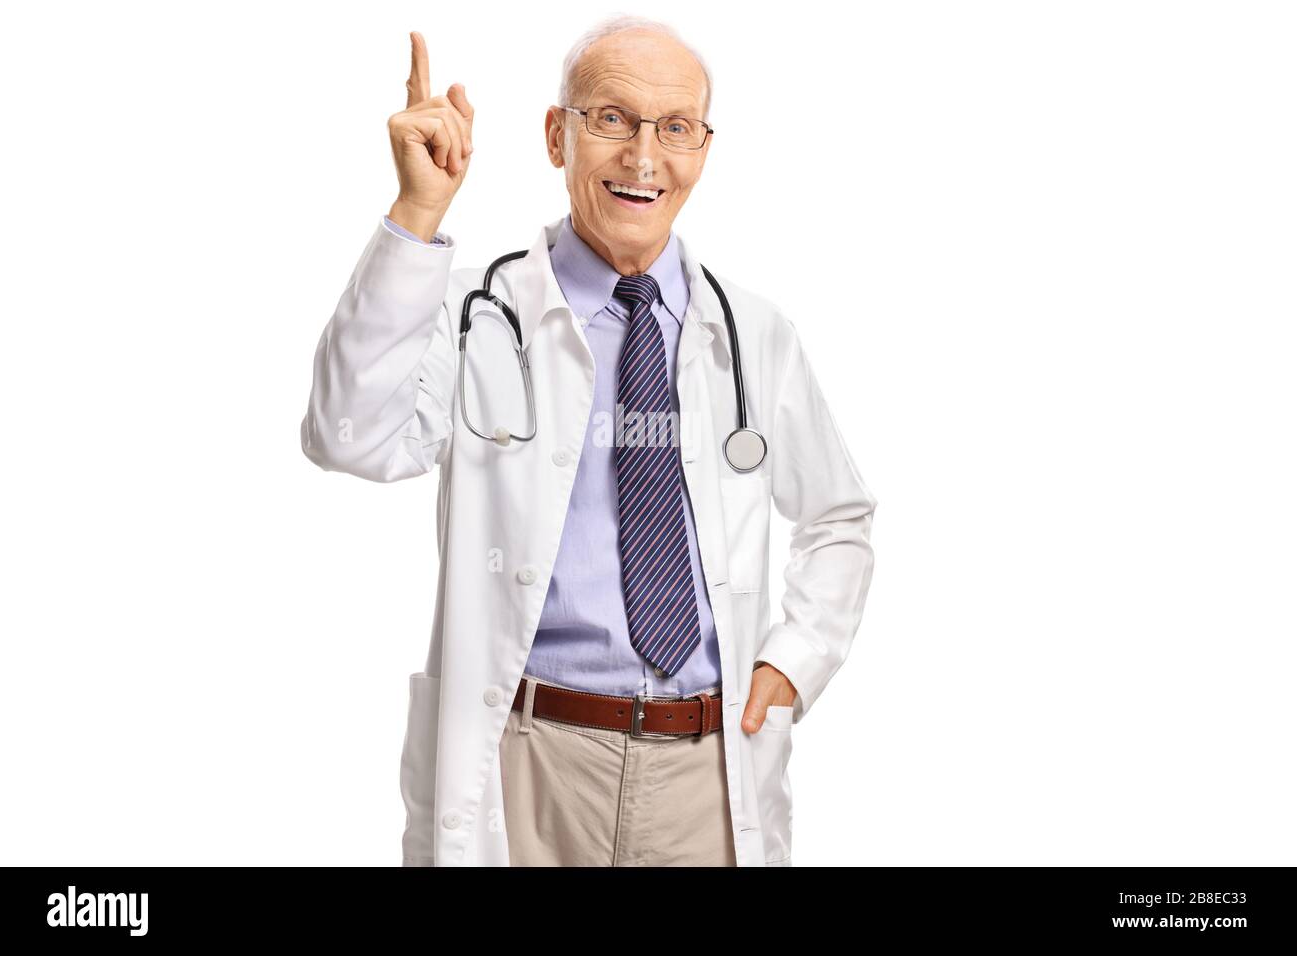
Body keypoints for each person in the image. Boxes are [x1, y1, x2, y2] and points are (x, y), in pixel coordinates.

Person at [300, 14, 877, 866]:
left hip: (706, 775)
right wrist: (419, 212)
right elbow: (348, 435)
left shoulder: (757, 336)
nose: (644, 157)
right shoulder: (476, 317)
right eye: (611, 119)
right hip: (531, 762)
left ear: (703, 150)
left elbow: (839, 517)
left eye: (675, 128)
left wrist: (791, 663)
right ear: (555, 136)